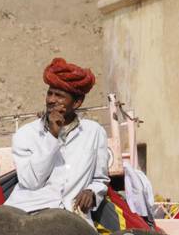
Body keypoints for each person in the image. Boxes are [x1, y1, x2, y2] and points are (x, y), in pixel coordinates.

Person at [7, 58, 109, 216]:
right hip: (29, 211)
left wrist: (92, 191)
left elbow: (100, 179)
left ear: (77, 103)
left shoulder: (94, 132)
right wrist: (53, 136)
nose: (51, 100)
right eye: (50, 93)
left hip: (73, 213)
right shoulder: (25, 134)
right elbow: (31, 182)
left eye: (59, 95)